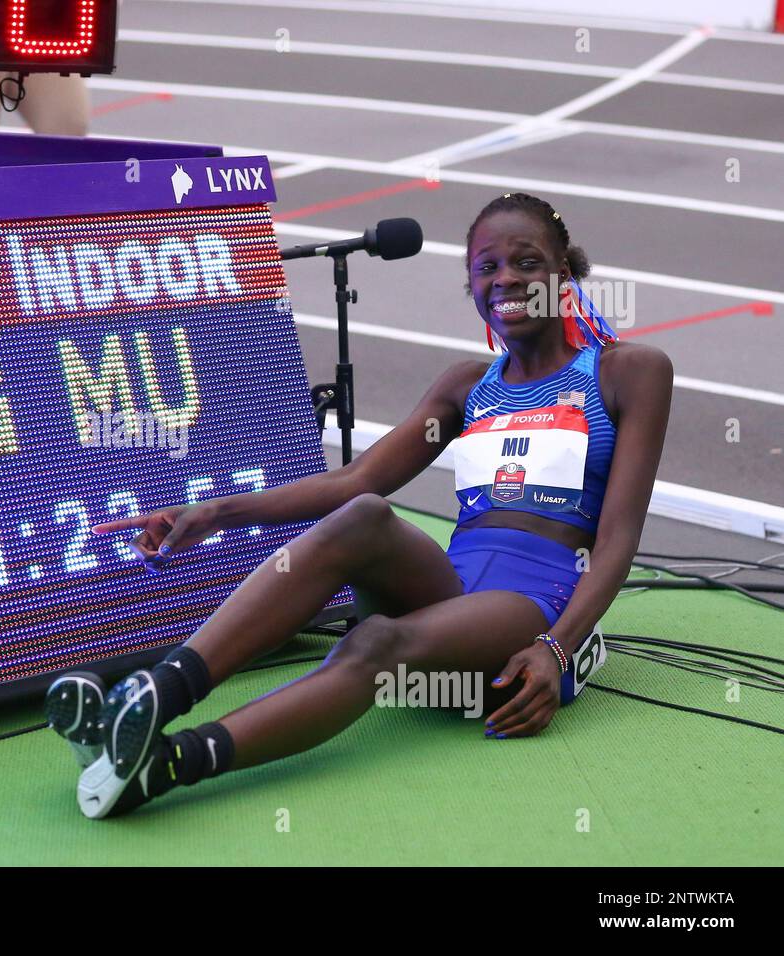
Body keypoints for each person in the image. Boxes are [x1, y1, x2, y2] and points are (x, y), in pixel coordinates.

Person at [46, 191, 675, 819]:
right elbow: (355, 481)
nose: (506, 278)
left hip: (530, 622)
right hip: (453, 594)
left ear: (562, 274)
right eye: (486, 268)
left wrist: (557, 647)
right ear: (471, 286)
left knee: (372, 639)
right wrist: (212, 512)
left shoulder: (628, 373)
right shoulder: (467, 385)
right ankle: (153, 691)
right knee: (364, 516)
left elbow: (618, 538)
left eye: (526, 262)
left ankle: (167, 765)